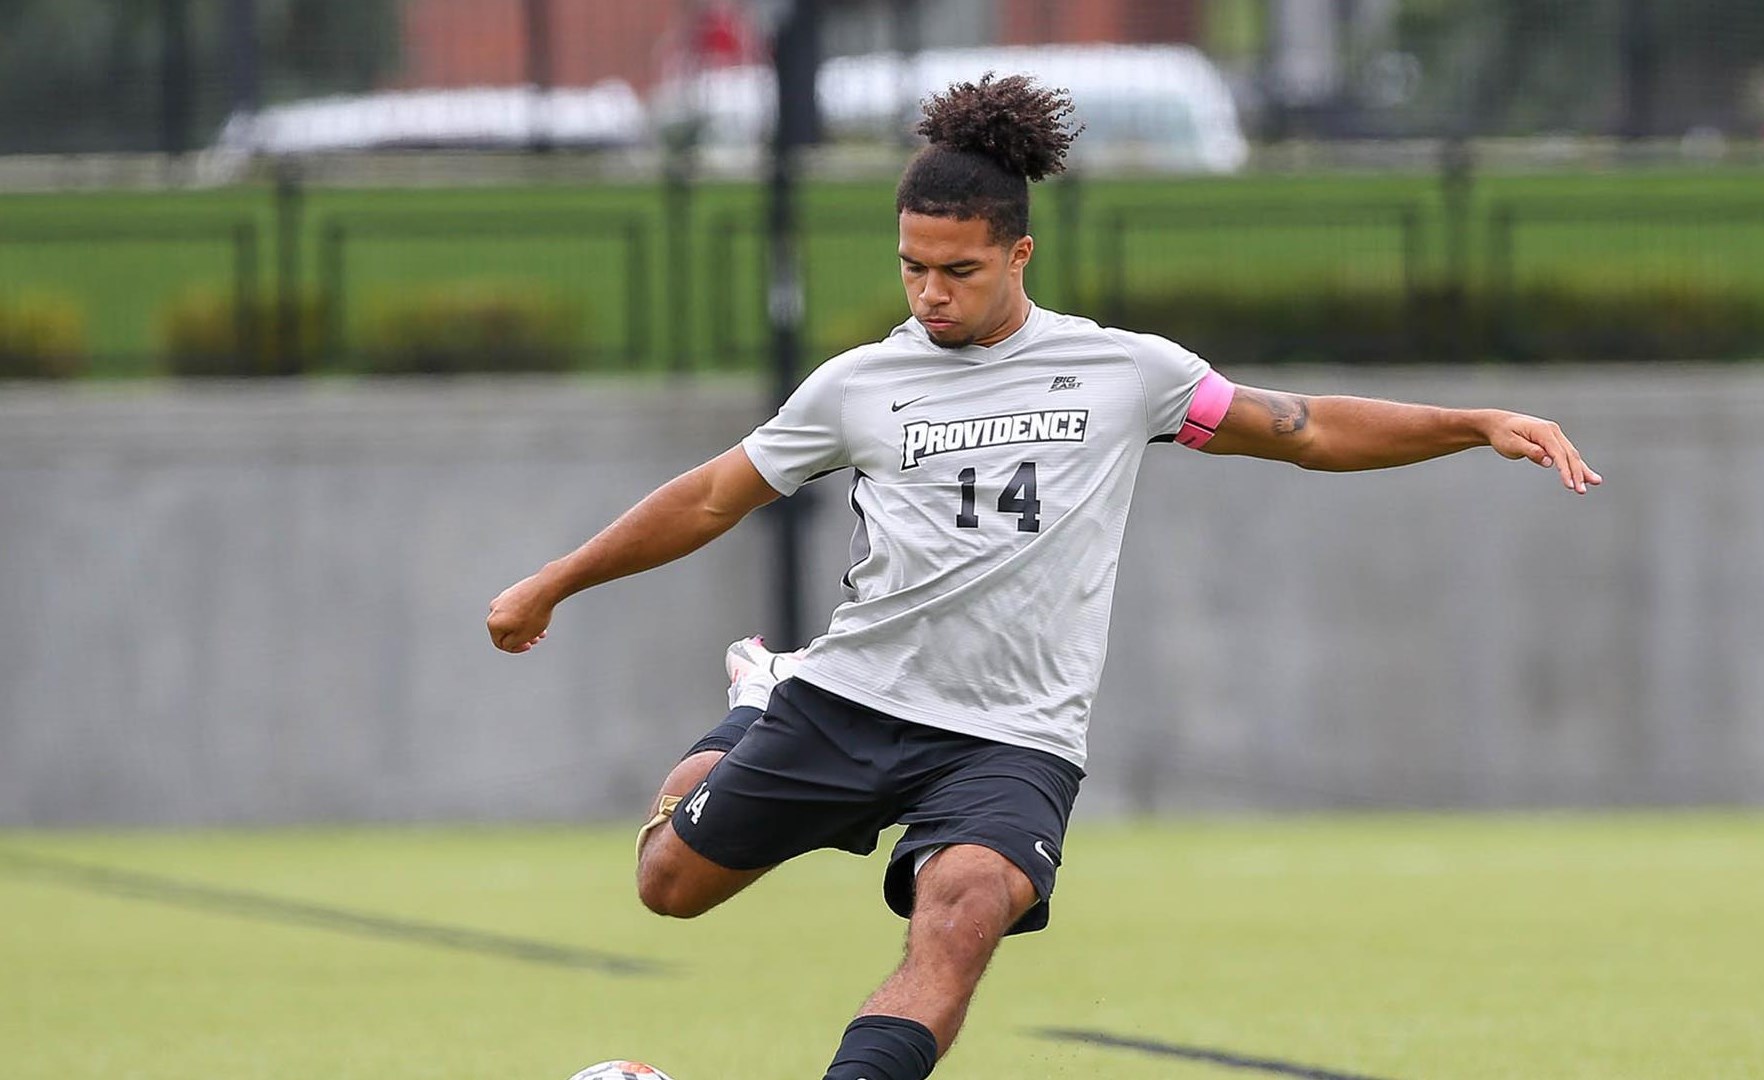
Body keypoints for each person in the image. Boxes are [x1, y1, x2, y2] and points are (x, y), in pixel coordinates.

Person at [486, 74, 1601, 1080]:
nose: (931, 294)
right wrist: (556, 580)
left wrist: (1471, 421)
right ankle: (755, 706)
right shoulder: (857, 386)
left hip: (1013, 733)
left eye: (959, 270)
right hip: (854, 696)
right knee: (668, 887)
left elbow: (1301, 428)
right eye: (912, 267)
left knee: (960, 912)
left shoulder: (1125, 371)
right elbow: (709, 497)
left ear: (1019, 255)